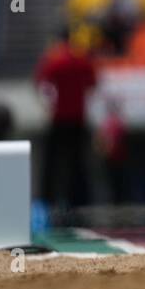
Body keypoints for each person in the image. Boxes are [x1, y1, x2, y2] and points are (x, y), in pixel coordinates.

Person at [35, 27, 99, 208]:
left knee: (52, 163)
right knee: (79, 164)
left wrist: (48, 108)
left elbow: (42, 87)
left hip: (59, 119)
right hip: (78, 118)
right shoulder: (82, 60)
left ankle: (47, 201)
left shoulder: (52, 60)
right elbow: (93, 85)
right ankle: (80, 203)